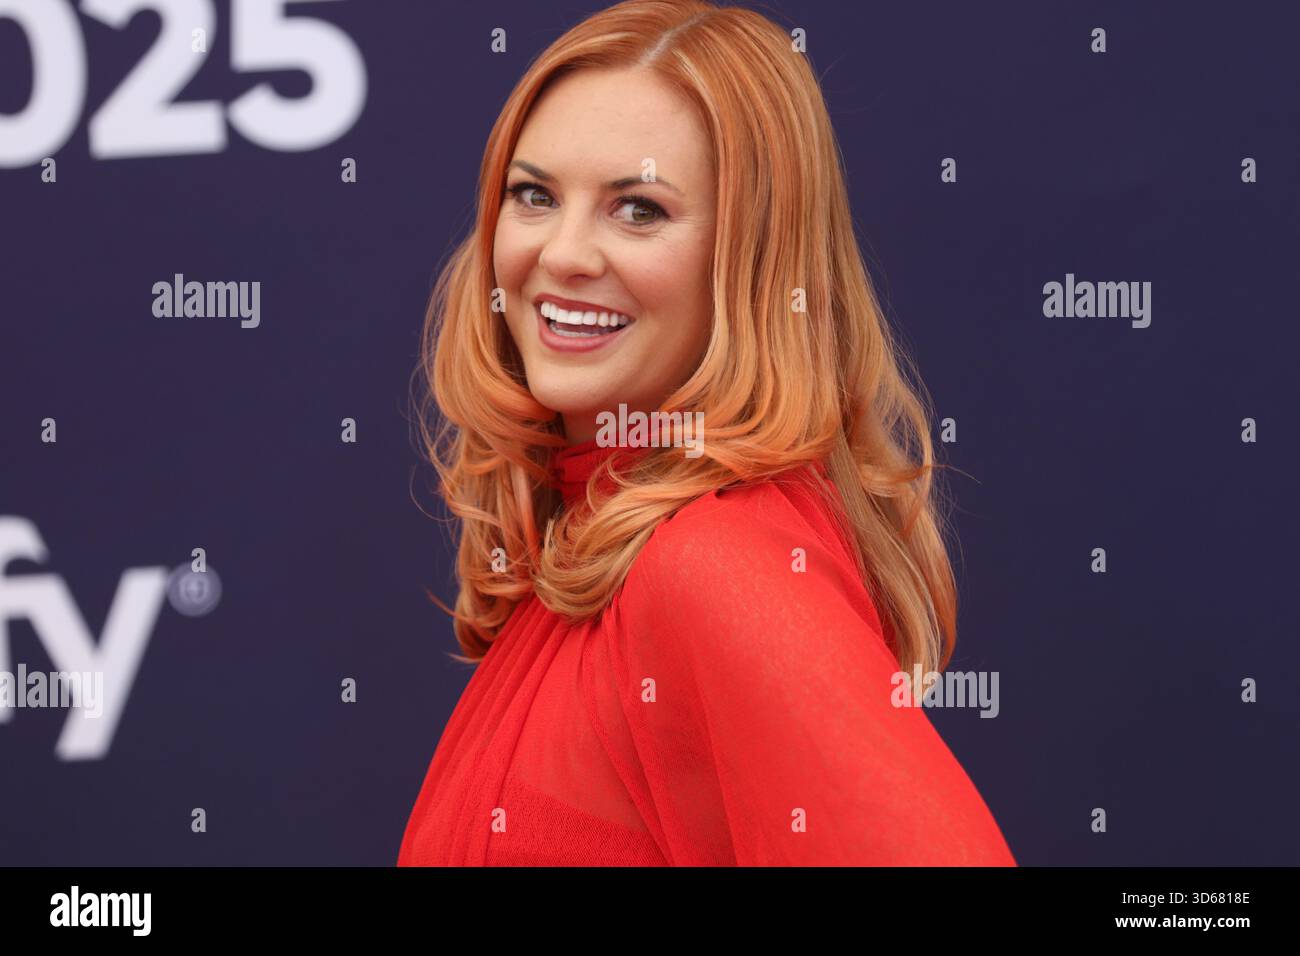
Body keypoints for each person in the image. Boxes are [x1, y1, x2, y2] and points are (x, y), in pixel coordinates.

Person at [398, 0, 1016, 866]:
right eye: (534, 195)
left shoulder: (713, 561)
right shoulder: (591, 537)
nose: (563, 254)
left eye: (638, 209)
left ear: (753, 261)